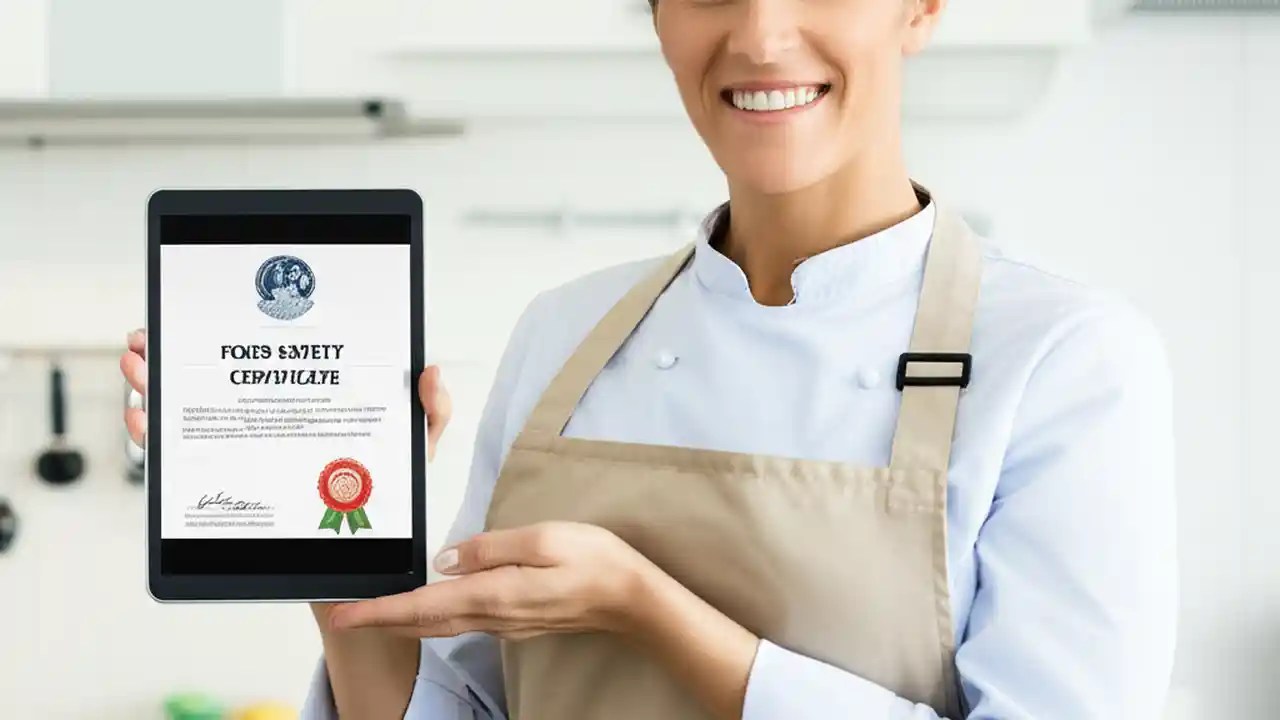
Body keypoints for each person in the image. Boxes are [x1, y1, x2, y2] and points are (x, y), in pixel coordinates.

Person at [120, 0, 1178, 717]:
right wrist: (335, 543)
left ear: (920, 6)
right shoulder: (566, 332)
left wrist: (650, 612)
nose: (760, 36)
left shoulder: (1062, 360)